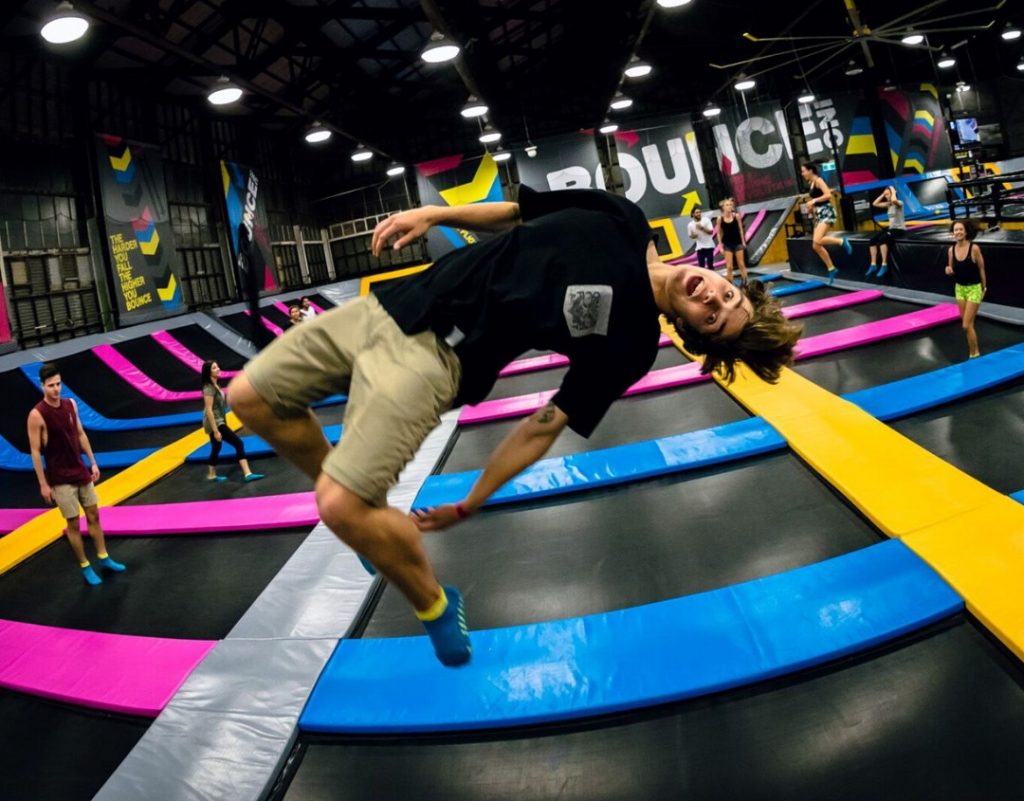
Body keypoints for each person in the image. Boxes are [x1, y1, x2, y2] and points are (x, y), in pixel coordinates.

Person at [227, 186, 802, 668]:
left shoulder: (632, 345)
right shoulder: (623, 216)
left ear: (695, 331)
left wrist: (475, 497)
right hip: (397, 304)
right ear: (724, 279)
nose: (712, 300)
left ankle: (431, 600)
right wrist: (434, 214)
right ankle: (372, 533)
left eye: (714, 318)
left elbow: (545, 423)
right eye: (727, 297)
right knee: (249, 396)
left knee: (340, 506)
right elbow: (518, 211)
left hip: (440, 357)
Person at [26, 362, 125, 586]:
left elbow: (80, 434)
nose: (56, 389)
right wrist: (43, 484)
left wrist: (93, 462)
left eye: (59, 384)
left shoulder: (70, 404)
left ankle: (104, 557)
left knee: (94, 516)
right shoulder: (36, 414)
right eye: (51, 385)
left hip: (80, 471)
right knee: (73, 524)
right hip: (60, 480)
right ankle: (85, 566)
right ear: (42, 386)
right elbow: (34, 451)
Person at [202, 360, 264, 483]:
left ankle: (211, 475)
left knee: (216, 447)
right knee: (238, 443)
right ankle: (247, 473)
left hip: (219, 420)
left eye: (218, 366)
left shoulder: (216, 386)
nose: (218, 369)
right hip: (215, 421)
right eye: (214, 368)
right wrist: (215, 431)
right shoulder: (208, 388)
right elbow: (208, 410)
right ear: (209, 372)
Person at [800, 162, 851, 285]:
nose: (802, 174)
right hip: (819, 213)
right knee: (816, 245)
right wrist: (811, 208)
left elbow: (828, 195)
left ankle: (842, 241)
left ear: (810, 171)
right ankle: (831, 268)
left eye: (803, 171)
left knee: (818, 240)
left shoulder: (818, 180)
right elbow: (816, 200)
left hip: (827, 211)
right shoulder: (811, 183)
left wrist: (814, 201)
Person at [945, 219, 986, 359]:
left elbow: (981, 268)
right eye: (956, 230)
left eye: (960, 229)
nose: (958, 232)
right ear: (953, 233)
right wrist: (948, 270)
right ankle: (973, 351)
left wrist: (984, 287)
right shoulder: (951, 250)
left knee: (965, 325)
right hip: (960, 289)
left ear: (966, 231)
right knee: (969, 325)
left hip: (974, 288)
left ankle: (975, 354)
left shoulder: (974, 248)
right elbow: (950, 269)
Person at [867, 186, 905, 279]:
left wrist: (892, 190)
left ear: (893, 194)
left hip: (899, 229)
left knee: (882, 240)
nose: (886, 196)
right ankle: (873, 264)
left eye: (888, 194)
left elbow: (894, 200)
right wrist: (883, 194)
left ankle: (884, 265)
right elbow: (874, 203)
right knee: (872, 241)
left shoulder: (899, 203)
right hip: (891, 228)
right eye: (886, 195)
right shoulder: (888, 204)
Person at [714, 198, 748, 284]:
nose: (729, 207)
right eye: (727, 205)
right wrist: (720, 247)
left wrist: (743, 241)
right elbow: (718, 233)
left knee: (741, 264)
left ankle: (746, 283)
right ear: (723, 207)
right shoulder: (720, 218)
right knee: (729, 267)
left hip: (737, 243)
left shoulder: (736, 216)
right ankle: (730, 284)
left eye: (730, 205)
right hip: (727, 244)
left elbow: (740, 229)